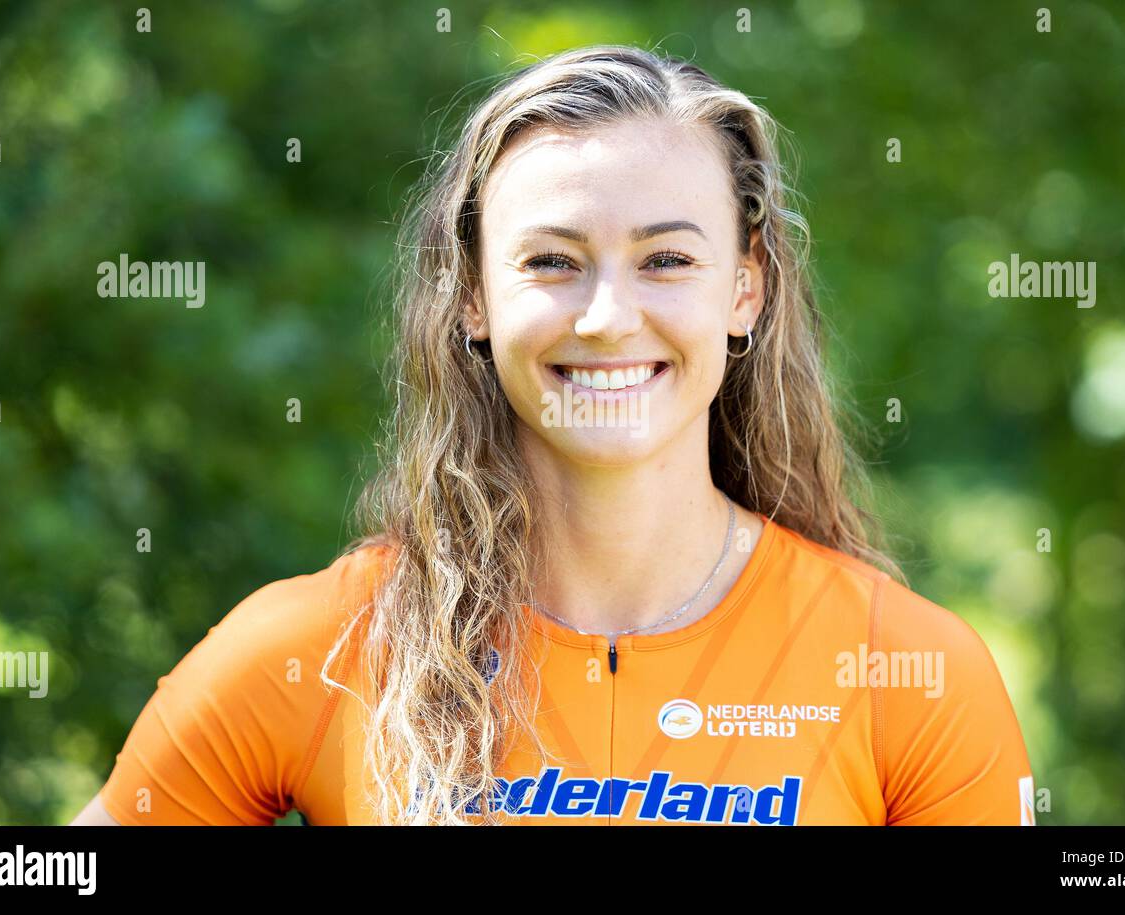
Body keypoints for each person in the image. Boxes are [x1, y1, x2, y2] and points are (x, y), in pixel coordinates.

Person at [71, 44, 1034, 826]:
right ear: (473, 297)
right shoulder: (318, 647)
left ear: (746, 290)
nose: (608, 317)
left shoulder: (905, 669)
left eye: (666, 259)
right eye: (552, 261)